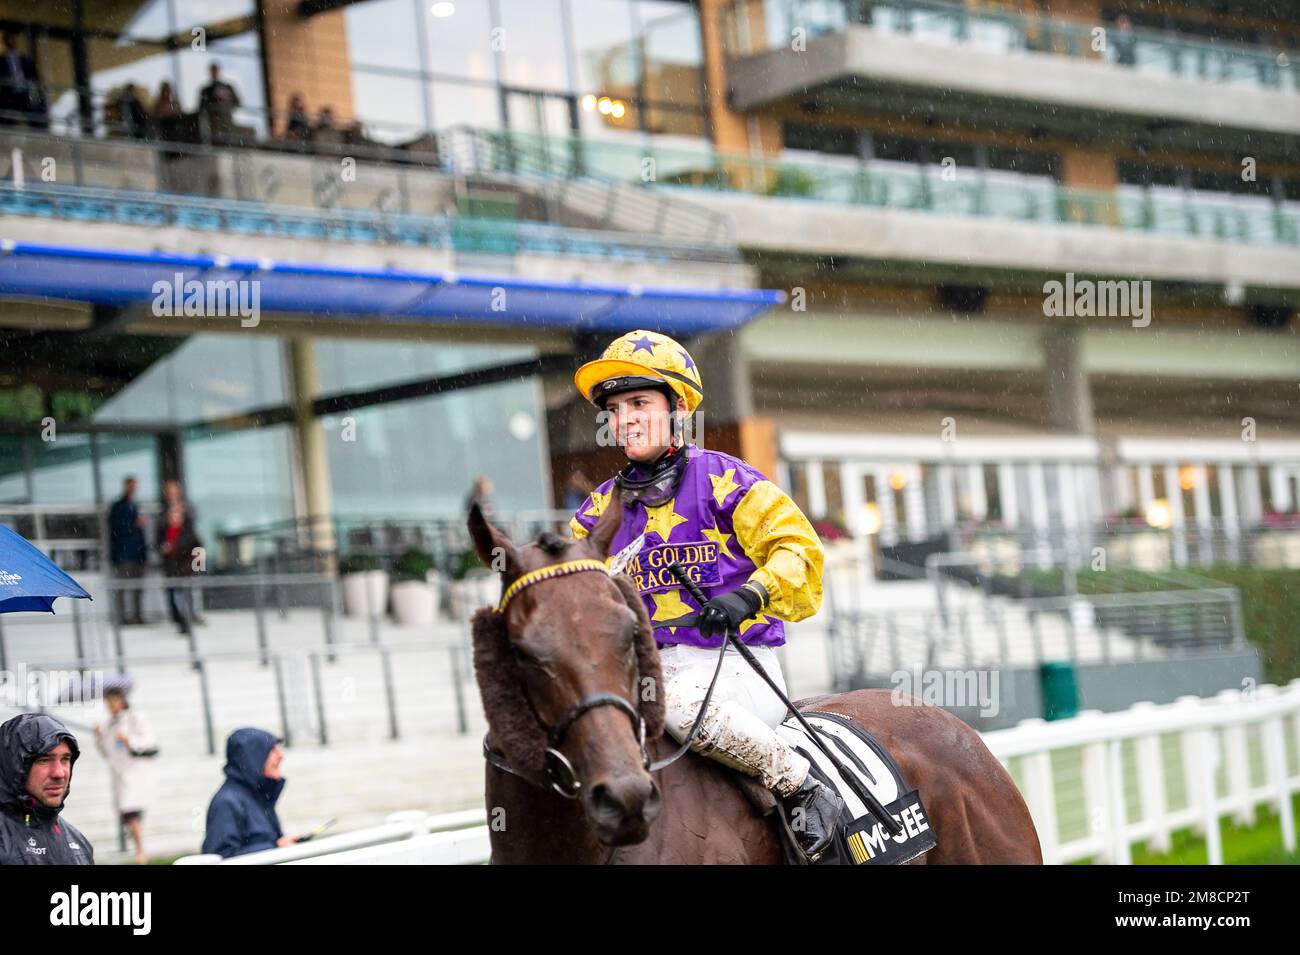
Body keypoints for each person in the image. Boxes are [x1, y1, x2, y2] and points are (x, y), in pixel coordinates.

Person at [568, 329, 842, 862]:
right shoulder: (595, 512)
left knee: (673, 702)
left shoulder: (730, 481)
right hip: (644, 674)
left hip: (734, 667)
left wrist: (750, 595)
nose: (626, 419)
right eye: (617, 408)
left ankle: (802, 786)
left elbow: (801, 551)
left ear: (677, 409)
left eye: (640, 403)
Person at [0, 714, 94, 864]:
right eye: (44, 760)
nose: (59, 773)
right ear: (14, 765)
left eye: (65, 759)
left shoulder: (79, 843)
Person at [201, 728, 301, 858]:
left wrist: (280, 845)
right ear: (252, 756)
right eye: (272, 750)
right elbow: (221, 857)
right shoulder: (227, 802)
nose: (281, 755)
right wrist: (275, 847)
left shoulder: (256, 795)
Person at [94, 676, 156, 865]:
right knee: (129, 814)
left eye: (113, 701)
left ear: (121, 700)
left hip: (135, 772)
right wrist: (99, 737)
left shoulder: (136, 718)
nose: (110, 706)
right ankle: (140, 850)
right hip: (119, 774)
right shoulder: (109, 725)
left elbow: (149, 743)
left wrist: (129, 741)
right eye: (108, 703)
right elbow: (107, 753)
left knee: (132, 812)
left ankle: (141, 852)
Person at [108, 476, 148, 625]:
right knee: (123, 587)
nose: (134, 489)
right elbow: (116, 529)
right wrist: (134, 523)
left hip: (138, 554)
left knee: (137, 588)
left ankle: (137, 616)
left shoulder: (135, 504)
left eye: (135, 486)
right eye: (131, 486)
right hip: (124, 554)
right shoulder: (119, 506)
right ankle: (123, 618)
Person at [0, 31, 44, 128]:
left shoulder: (22, 58)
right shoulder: (2, 60)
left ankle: (39, 130)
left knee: (33, 116)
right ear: (5, 42)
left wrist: (38, 83)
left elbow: (33, 72)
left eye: (13, 39)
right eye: (9, 39)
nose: (12, 42)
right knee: (7, 119)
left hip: (23, 91)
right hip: (9, 94)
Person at [197, 62, 240, 143]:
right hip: (213, 122)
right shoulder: (206, 90)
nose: (214, 72)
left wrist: (224, 105)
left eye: (215, 70)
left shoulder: (227, 86)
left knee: (228, 138)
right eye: (213, 70)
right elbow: (201, 107)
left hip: (226, 119)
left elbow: (237, 102)